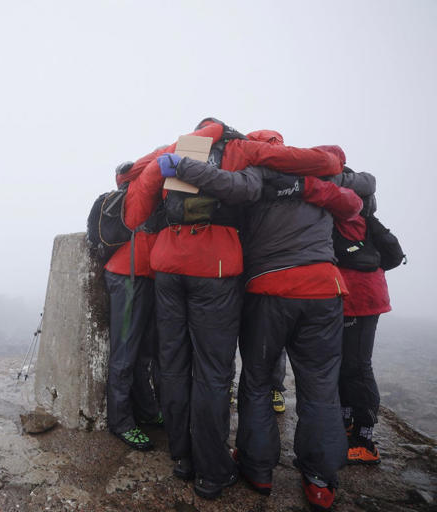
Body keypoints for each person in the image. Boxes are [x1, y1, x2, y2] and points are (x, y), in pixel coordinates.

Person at [125, 119, 346, 500]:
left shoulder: (174, 150)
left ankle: (183, 457)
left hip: (167, 267)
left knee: (173, 366)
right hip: (216, 268)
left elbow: (133, 218)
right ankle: (213, 472)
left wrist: (145, 170)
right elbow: (327, 164)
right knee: (213, 373)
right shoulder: (241, 150)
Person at [160, 150, 374, 511]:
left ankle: (258, 469)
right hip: (324, 289)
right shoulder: (319, 177)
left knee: (257, 383)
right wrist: (307, 187)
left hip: (268, 290)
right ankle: (320, 480)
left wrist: (181, 164)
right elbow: (357, 198)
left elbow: (229, 188)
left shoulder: (255, 176)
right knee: (321, 387)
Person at [334, 196, 404, 465]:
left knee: (358, 366)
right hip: (353, 299)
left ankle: (365, 440)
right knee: (344, 364)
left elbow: (394, 256)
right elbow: (394, 257)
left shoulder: (357, 223)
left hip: (361, 301)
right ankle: (347, 419)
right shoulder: (366, 221)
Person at [102, 161, 163, 450]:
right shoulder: (142, 183)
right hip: (128, 276)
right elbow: (165, 156)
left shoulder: (136, 185)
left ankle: (147, 412)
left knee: (143, 352)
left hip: (142, 274)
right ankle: (121, 422)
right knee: (125, 353)